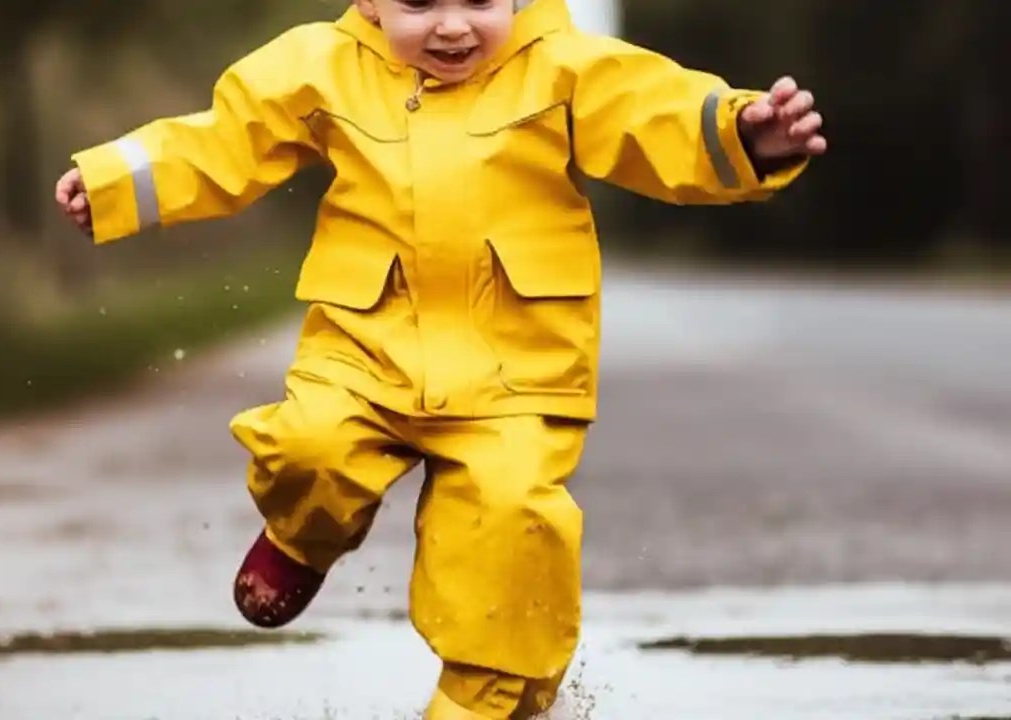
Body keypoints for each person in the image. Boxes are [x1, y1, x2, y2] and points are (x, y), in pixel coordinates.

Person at [53, 0, 825, 716]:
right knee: (307, 449)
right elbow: (225, 137)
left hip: (517, 375)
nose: (453, 27)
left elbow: (656, 117)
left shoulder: (566, 70)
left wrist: (748, 135)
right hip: (366, 349)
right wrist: (119, 182)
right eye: (421, 2)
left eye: (480, 0)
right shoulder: (321, 67)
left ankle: (484, 703)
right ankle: (304, 534)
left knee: (509, 533)